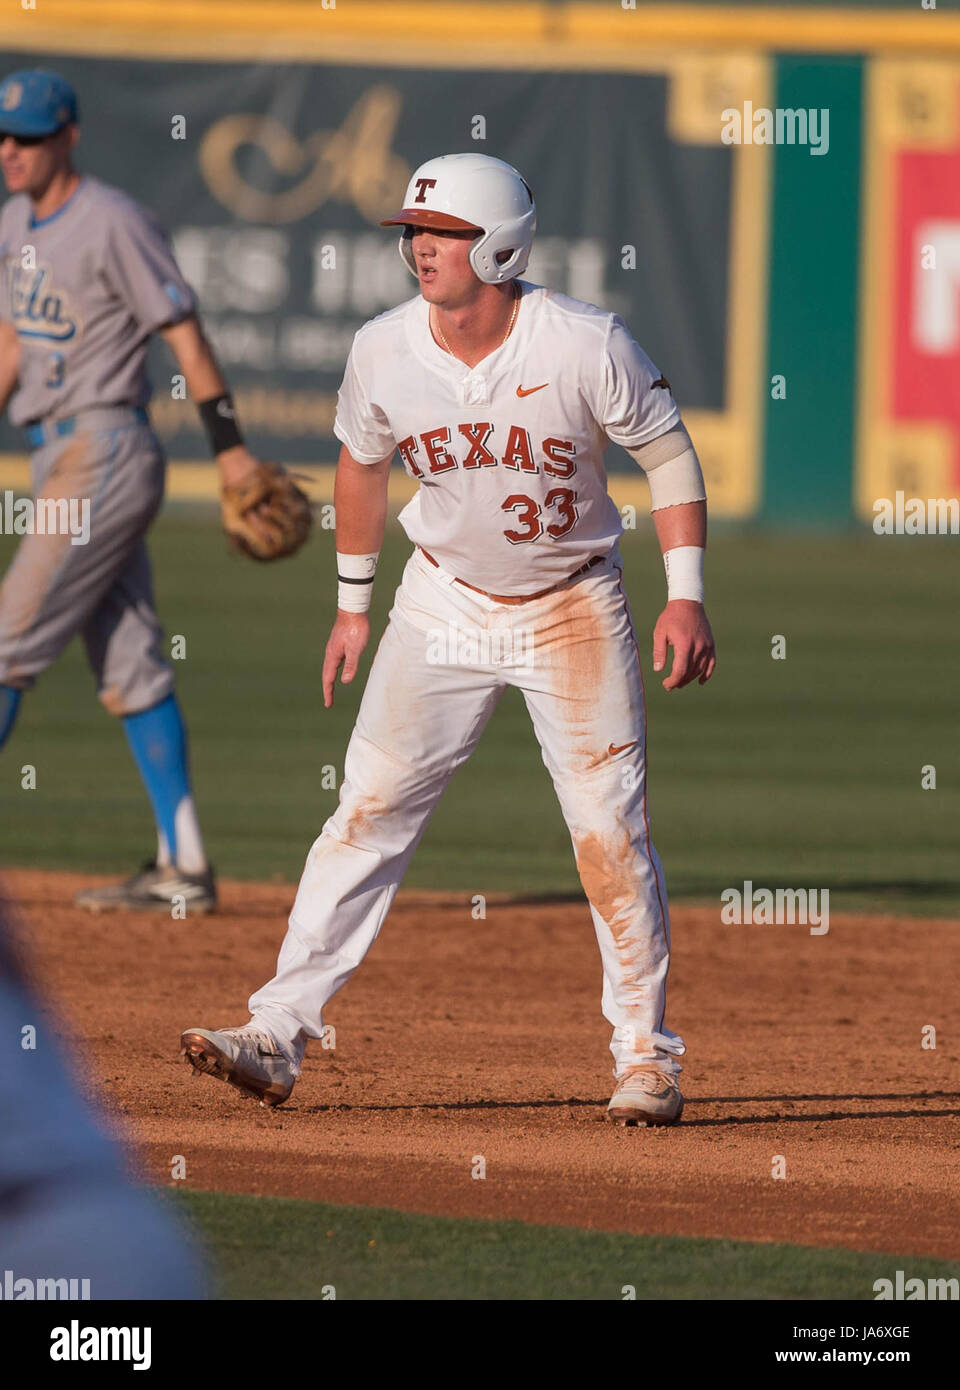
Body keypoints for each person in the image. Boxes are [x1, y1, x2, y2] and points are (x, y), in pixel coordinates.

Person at [182, 152, 716, 1125]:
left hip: (571, 605)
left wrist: (686, 595)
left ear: (501, 245)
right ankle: (276, 1032)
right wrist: (352, 606)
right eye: (413, 234)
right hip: (441, 603)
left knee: (608, 832)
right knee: (365, 812)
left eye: (445, 234)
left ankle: (647, 1058)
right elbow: (360, 462)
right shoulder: (385, 349)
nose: (420, 248)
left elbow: (669, 454)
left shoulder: (583, 343)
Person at [0, 69, 268, 914]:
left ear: (68, 135)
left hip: (104, 444)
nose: (12, 152)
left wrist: (230, 454)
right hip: (52, 452)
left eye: (31, 136)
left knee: (6, 643)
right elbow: (10, 346)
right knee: (131, 661)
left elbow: (184, 334)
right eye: (4, 138)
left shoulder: (113, 221)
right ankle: (182, 866)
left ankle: (182, 864)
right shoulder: (12, 225)